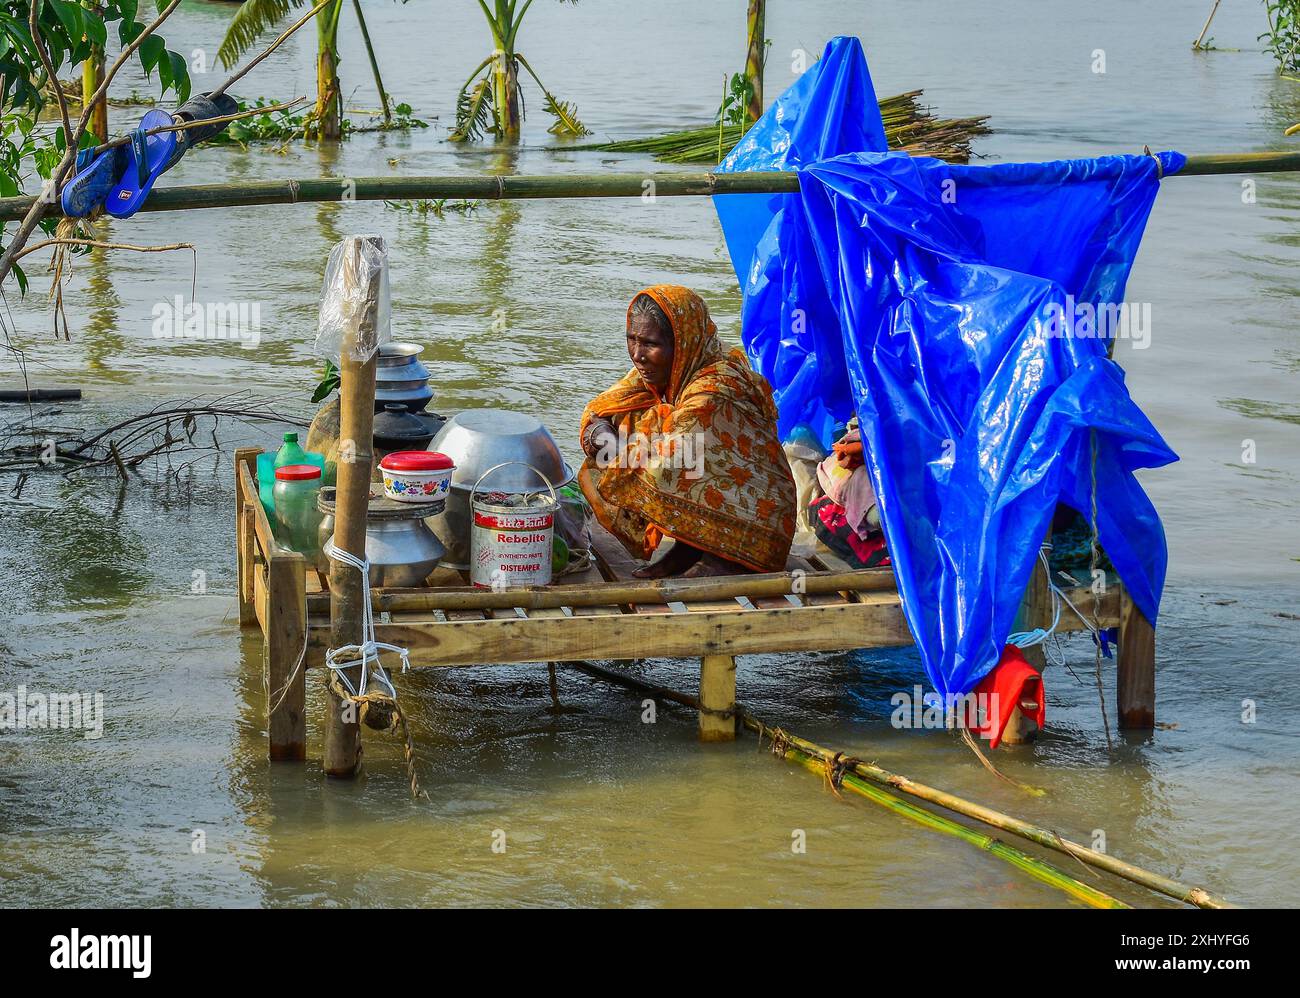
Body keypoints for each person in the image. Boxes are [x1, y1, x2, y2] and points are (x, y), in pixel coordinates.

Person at [579, 285, 796, 578]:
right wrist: (603, 434)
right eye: (632, 339)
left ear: (681, 344)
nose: (637, 355)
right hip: (717, 499)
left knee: (652, 455)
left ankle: (726, 556)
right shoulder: (668, 371)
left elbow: (666, 465)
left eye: (649, 343)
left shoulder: (714, 391)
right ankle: (690, 547)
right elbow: (603, 408)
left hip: (759, 530)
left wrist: (611, 444)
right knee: (627, 420)